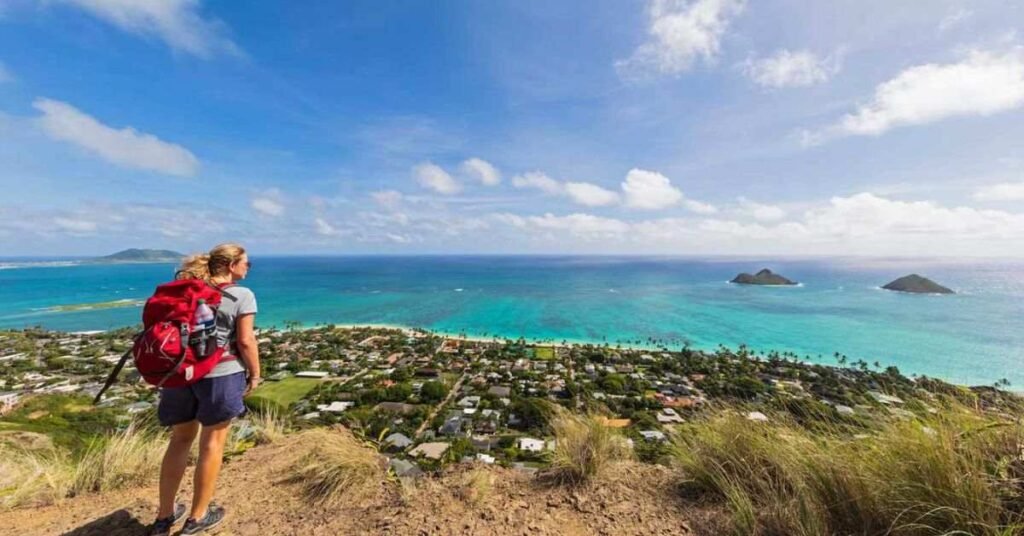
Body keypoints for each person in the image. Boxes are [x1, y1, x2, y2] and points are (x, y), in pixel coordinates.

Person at [150, 243, 261, 536]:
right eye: (246, 263)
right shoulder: (241, 295)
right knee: (212, 444)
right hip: (220, 374)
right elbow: (247, 341)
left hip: (180, 373)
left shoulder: (186, 291)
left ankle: (164, 517)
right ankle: (197, 518)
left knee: (179, 441)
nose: (248, 268)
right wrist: (256, 375)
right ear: (230, 265)